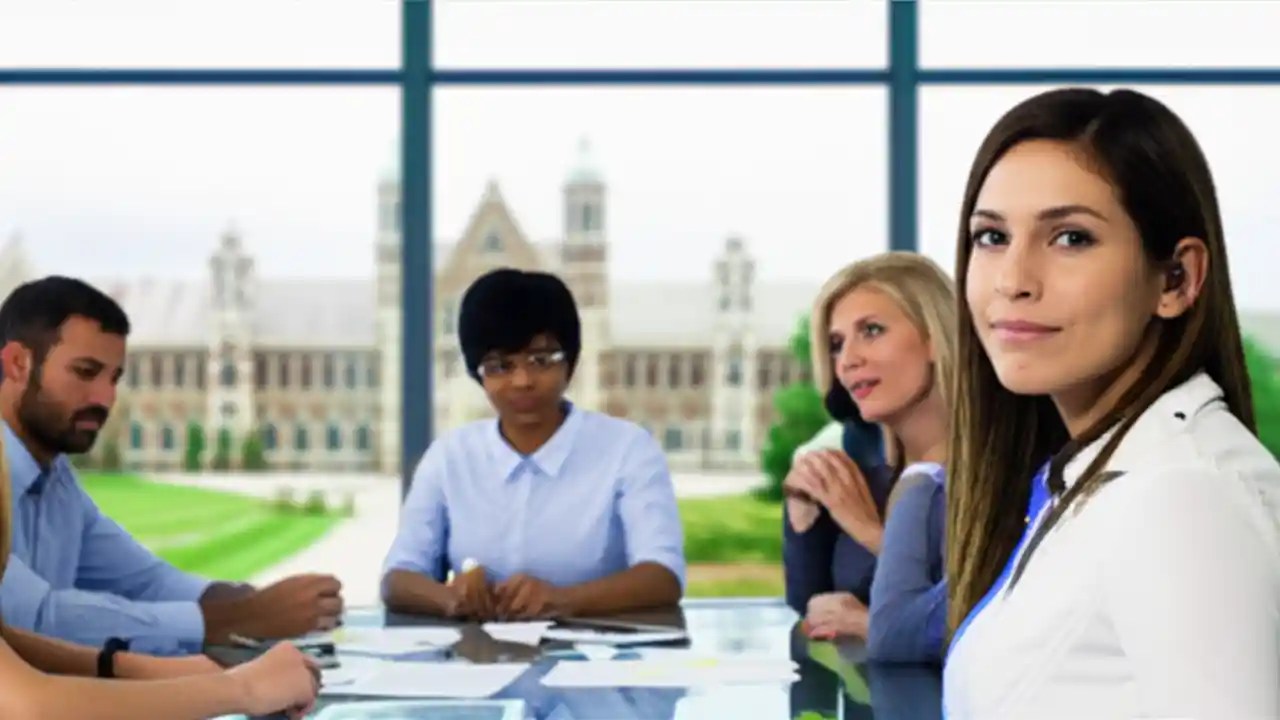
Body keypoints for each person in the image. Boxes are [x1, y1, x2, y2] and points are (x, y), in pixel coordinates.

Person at [944, 88, 1280, 718]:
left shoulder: (1182, 495)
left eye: (1070, 237)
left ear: (1177, 279)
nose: (1013, 279)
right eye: (991, 237)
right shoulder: (1096, 471)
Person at [0, 276, 345, 656]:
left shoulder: (57, 479)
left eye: (114, 378)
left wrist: (256, 601)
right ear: (18, 363)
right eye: (85, 372)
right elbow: (31, 619)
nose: (105, 398)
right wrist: (237, 618)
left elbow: (145, 581)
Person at [382, 268, 685, 620]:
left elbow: (662, 577)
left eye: (541, 360)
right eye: (500, 365)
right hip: (479, 663)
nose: (522, 380)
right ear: (477, 373)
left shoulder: (627, 449)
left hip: (595, 662)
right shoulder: (451, 456)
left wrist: (564, 600)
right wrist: (450, 599)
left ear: (570, 362)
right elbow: (398, 578)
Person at [0, 406, 321, 719]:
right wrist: (243, 688)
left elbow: (9, 641)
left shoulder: (60, 478)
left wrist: (155, 668)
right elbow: (29, 706)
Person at [785, 254, 954, 665]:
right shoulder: (868, 477)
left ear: (935, 336)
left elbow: (996, 621)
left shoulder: (999, 474)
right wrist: (803, 522)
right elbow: (812, 611)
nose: (848, 360)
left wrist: (864, 528)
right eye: (836, 344)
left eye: (872, 331)